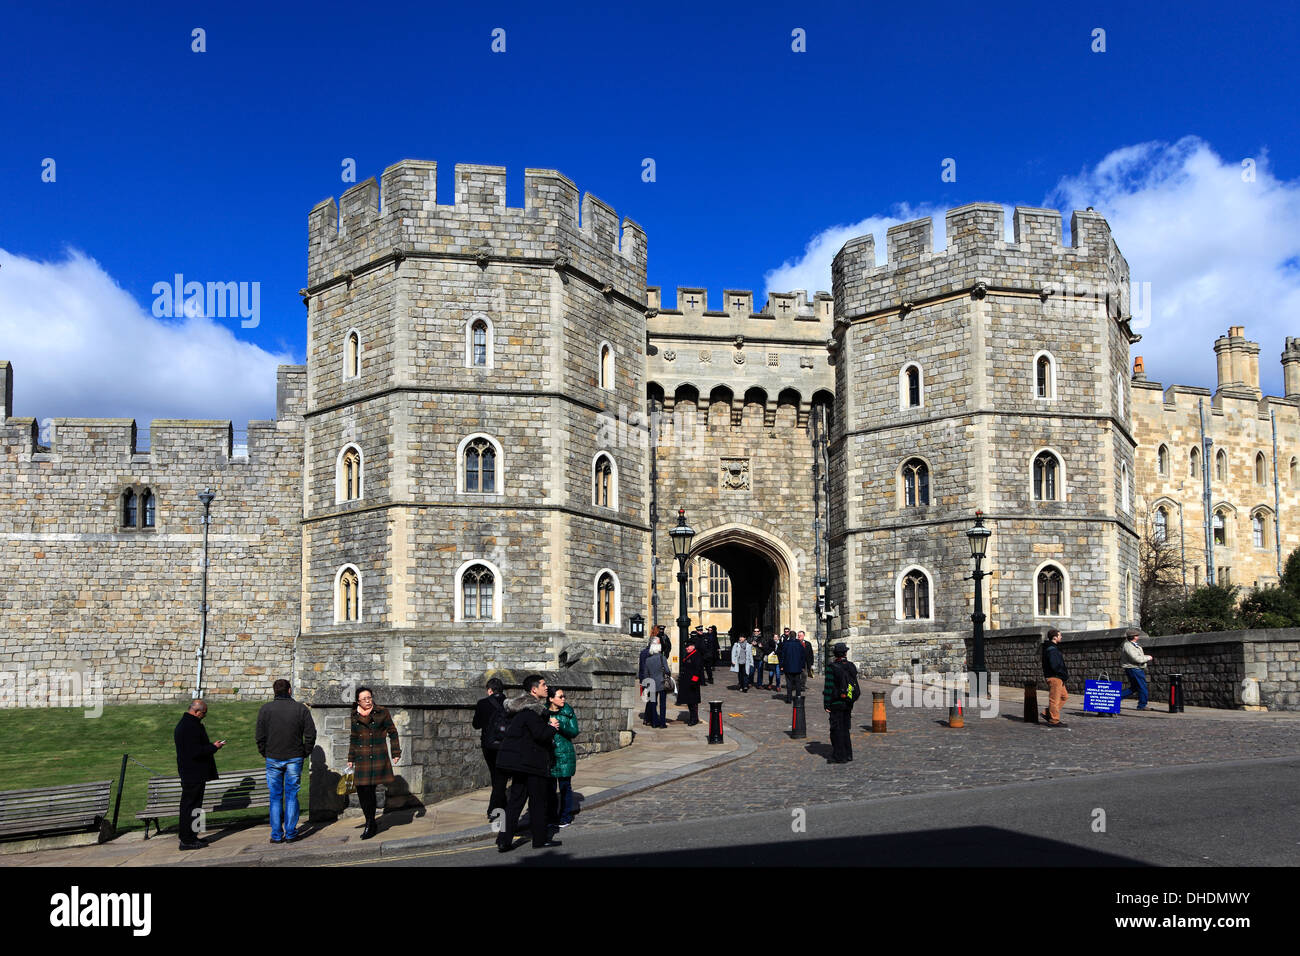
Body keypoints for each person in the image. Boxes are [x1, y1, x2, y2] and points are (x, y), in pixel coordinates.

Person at [495, 675, 563, 852]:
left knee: (515, 803)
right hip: (532, 764)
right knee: (538, 802)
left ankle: (504, 839)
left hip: (520, 763)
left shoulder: (521, 709)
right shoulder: (533, 710)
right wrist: (552, 727)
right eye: (543, 685)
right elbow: (540, 734)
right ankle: (540, 840)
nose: (546, 688)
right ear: (534, 690)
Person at [255, 678, 317, 844]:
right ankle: (290, 833)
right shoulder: (300, 709)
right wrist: (306, 751)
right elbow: (311, 733)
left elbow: (260, 736)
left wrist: (264, 752)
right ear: (289, 690)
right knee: (291, 795)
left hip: (273, 756)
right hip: (294, 757)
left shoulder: (265, 709)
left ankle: (276, 835)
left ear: (274, 691)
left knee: (275, 796)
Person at [345, 686, 401, 840]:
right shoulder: (354, 715)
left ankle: (370, 823)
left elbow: (393, 732)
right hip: (361, 758)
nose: (368, 701)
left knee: (370, 791)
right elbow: (354, 737)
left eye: (369, 697)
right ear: (358, 701)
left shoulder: (382, 711)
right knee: (362, 791)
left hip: (377, 756)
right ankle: (370, 820)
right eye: (364, 699)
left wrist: (395, 752)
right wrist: (350, 758)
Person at [173, 699, 224, 851]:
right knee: (190, 806)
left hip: (193, 772)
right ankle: (187, 839)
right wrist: (213, 747)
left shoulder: (187, 724)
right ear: (196, 711)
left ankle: (193, 836)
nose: (204, 716)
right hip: (193, 773)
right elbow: (195, 751)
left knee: (195, 806)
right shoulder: (189, 727)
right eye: (204, 713)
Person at [471, 677, 510, 821]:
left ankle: (493, 810)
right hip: (505, 745)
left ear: (489, 690)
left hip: (488, 745)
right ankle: (501, 806)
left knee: (497, 776)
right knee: (501, 777)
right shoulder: (509, 703)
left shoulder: (482, 703)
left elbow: (476, 724)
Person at [546, 686, 579, 829]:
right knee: (550, 789)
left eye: (564, 696)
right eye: (560, 697)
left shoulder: (568, 711)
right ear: (551, 699)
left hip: (565, 754)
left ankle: (565, 816)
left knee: (565, 787)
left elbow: (574, 731)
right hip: (550, 755)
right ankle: (552, 817)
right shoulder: (543, 712)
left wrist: (561, 726)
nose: (563, 699)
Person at [823, 643, 859, 763]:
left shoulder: (832, 667)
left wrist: (826, 704)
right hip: (848, 701)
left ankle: (839, 756)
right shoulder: (851, 666)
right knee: (845, 728)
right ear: (845, 653)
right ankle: (848, 754)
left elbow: (828, 687)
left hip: (836, 702)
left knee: (836, 729)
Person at [639, 633, 670, 728]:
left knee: (653, 703)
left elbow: (646, 674)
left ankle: (654, 722)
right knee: (663, 704)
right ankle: (662, 723)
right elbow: (667, 671)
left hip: (651, 684)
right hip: (661, 683)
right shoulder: (662, 658)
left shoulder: (648, 660)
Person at [1041, 629, 1070, 727]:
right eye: (1059, 635)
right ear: (1055, 637)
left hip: (1058, 677)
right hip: (1055, 677)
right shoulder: (1051, 650)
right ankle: (1054, 720)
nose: (1061, 637)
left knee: (1064, 696)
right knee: (1054, 699)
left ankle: (1047, 713)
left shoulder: (1053, 648)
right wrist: (1062, 674)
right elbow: (1055, 665)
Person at [1120, 628, 1153, 710]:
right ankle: (1142, 705)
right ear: (1134, 637)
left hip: (1135, 668)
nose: (1138, 637)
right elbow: (1136, 658)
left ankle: (1115, 698)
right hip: (1134, 668)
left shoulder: (1132, 644)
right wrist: (1147, 658)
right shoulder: (1128, 646)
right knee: (1142, 687)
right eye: (1137, 635)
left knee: (1135, 687)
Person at [678, 635, 704, 725]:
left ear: (693, 646)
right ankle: (692, 717)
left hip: (693, 682)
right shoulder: (688, 655)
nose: (686, 648)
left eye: (688, 647)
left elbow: (698, 669)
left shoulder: (696, 655)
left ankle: (694, 718)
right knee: (689, 701)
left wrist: (694, 680)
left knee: (693, 702)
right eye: (686, 647)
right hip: (687, 681)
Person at [779, 628, 810, 703]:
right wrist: (802, 666)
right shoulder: (799, 644)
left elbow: (782, 656)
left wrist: (781, 665)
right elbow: (803, 656)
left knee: (789, 683)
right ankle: (798, 697)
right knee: (797, 683)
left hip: (788, 666)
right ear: (795, 636)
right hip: (797, 667)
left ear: (789, 635)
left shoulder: (786, 644)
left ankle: (789, 699)